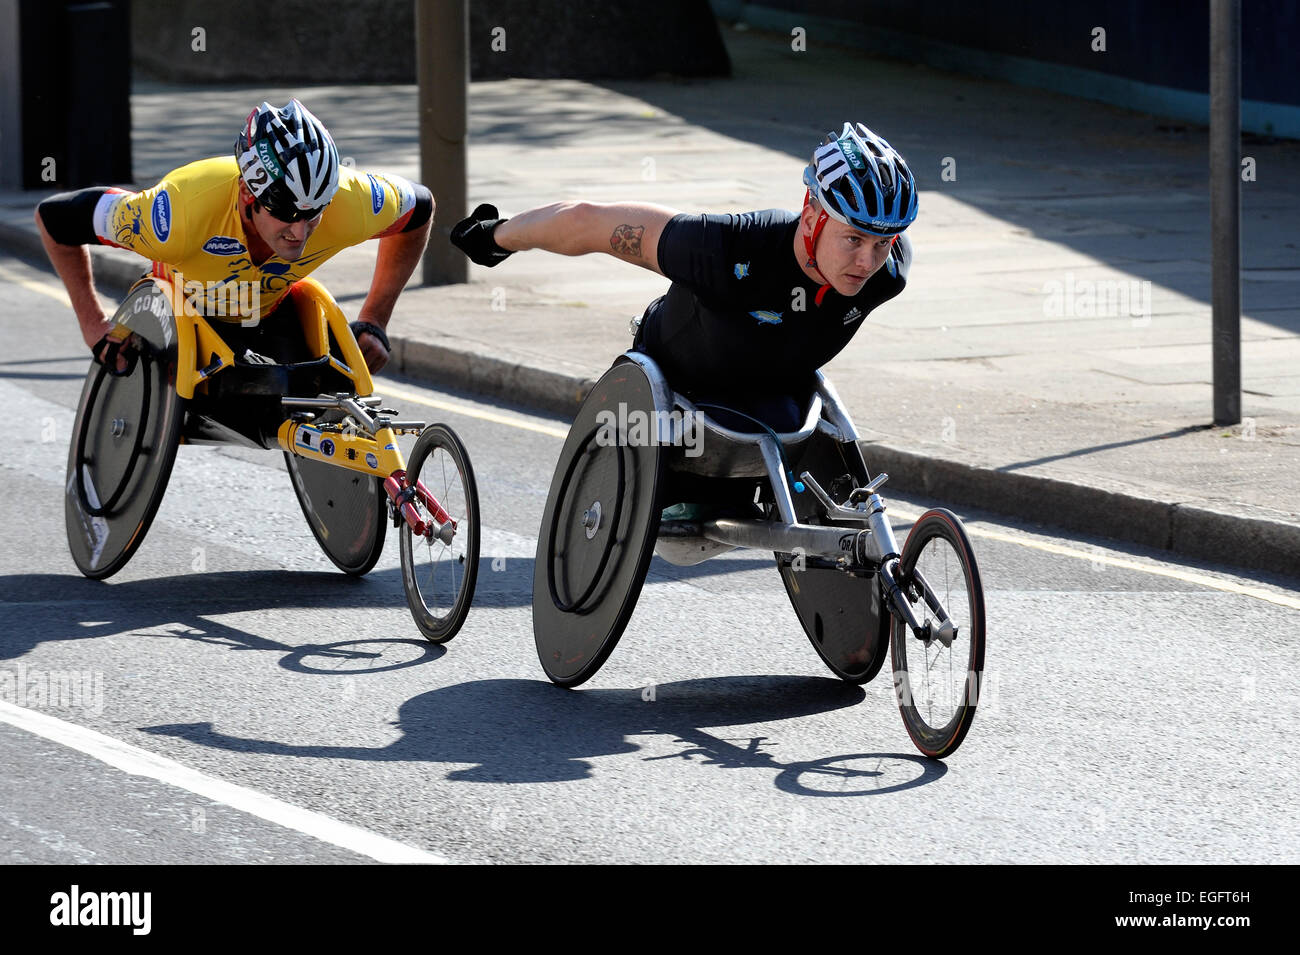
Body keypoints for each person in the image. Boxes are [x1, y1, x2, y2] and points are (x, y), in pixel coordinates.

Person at [449, 121, 915, 433]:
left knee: (795, 425)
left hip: (774, 393)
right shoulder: (727, 248)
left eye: (883, 243)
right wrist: (498, 235)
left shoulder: (887, 275)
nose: (867, 262)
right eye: (853, 239)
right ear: (811, 214)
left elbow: (880, 255)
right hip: (681, 376)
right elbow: (587, 222)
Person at [35, 98, 433, 373]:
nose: (300, 232)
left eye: (314, 216)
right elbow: (55, 219)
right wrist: (93, 325)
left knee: (338, 375)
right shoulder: (174, 217)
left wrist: (375, 319)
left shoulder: (352, 200)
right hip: (179, 321)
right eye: (286, 215)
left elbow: (421, 209)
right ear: (247, 193)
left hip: (269, 309)